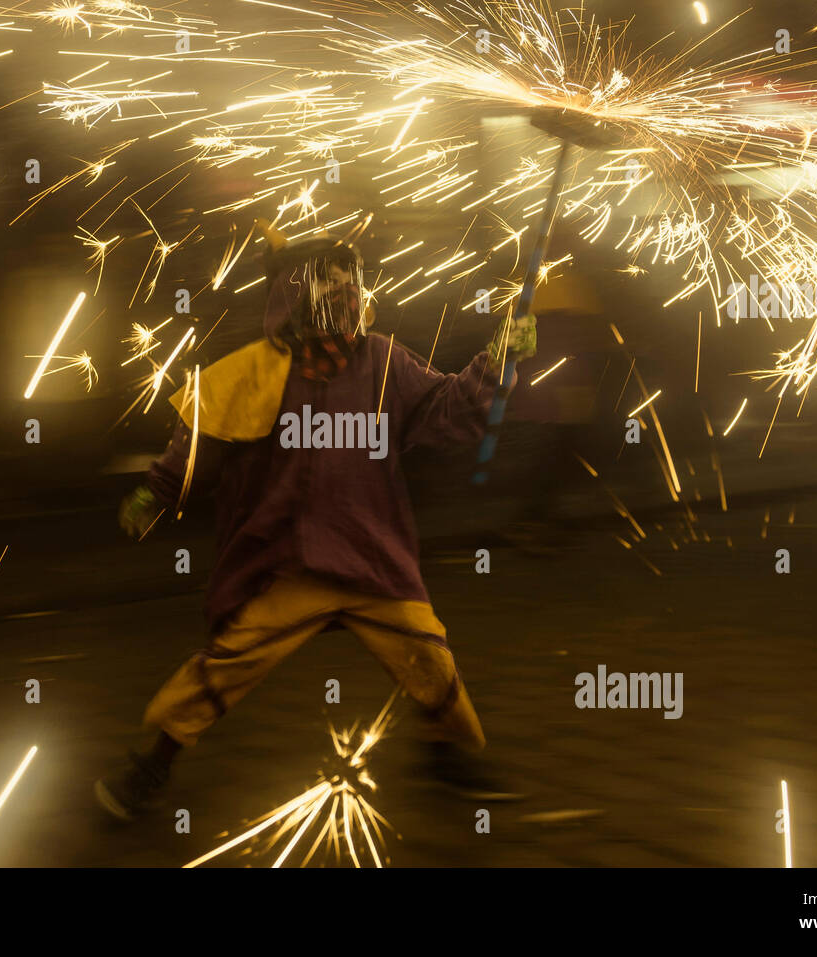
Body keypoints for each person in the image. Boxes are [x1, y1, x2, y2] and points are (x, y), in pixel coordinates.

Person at [94, 228, 537, 820]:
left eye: (350, 278)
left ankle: (446, 755)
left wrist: (497, 360)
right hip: (289, 564)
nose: (344, 289)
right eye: (329, 278)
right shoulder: (254, 370)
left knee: (430, 660)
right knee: (227, 665)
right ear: (294, 291)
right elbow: (200, 435)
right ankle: (153, 765)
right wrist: (158, 488)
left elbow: (445, 412)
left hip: (373, 558)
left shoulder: (383, 359)